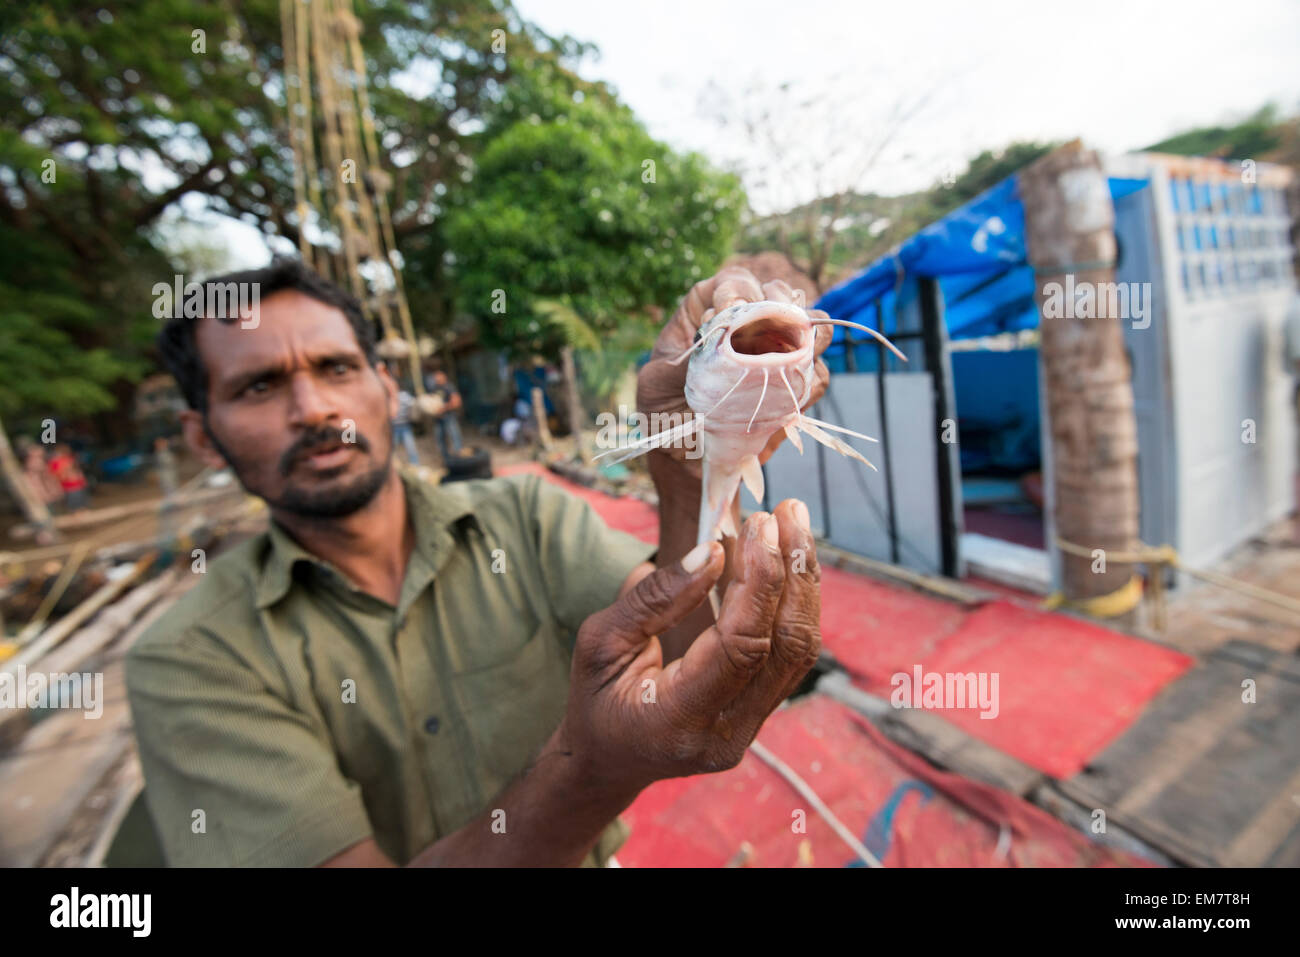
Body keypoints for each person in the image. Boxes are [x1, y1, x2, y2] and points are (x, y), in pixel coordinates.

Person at [126, 257, 828, 867]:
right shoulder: (188, 657)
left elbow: (688, 651)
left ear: (384, 387)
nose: (313, 408)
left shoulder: (528, 517)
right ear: (202, 435)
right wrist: (591, 770)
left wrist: (688, 476)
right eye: (258, 386)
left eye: (336, 368)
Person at [424, 368, 463, 464]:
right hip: (438, 419)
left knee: (454, 437)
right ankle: (446, 460)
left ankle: (459, 459)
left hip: (449, 417)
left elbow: (456, 402)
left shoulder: (449, 387)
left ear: (444, 377)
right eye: (435, 377)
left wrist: (444, 408)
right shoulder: (434, 389)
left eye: (438, 376)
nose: (436, 379)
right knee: (440, 440)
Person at [47, 444, 88, 512]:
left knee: (81, 503)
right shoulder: (55, 462)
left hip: (76, 484)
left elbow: (77, 471)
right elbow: (55, 475)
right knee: (74, 505)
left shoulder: (68, 460)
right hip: (69, 486)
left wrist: (82, 480)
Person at [390, 384, 420, 465]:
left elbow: (413, 406)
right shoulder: (388, 397)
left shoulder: (404, 395)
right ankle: (394, 466)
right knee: (392, 449)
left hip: (405, 426)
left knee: (410, 447)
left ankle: (415, 465)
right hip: (394, 427)